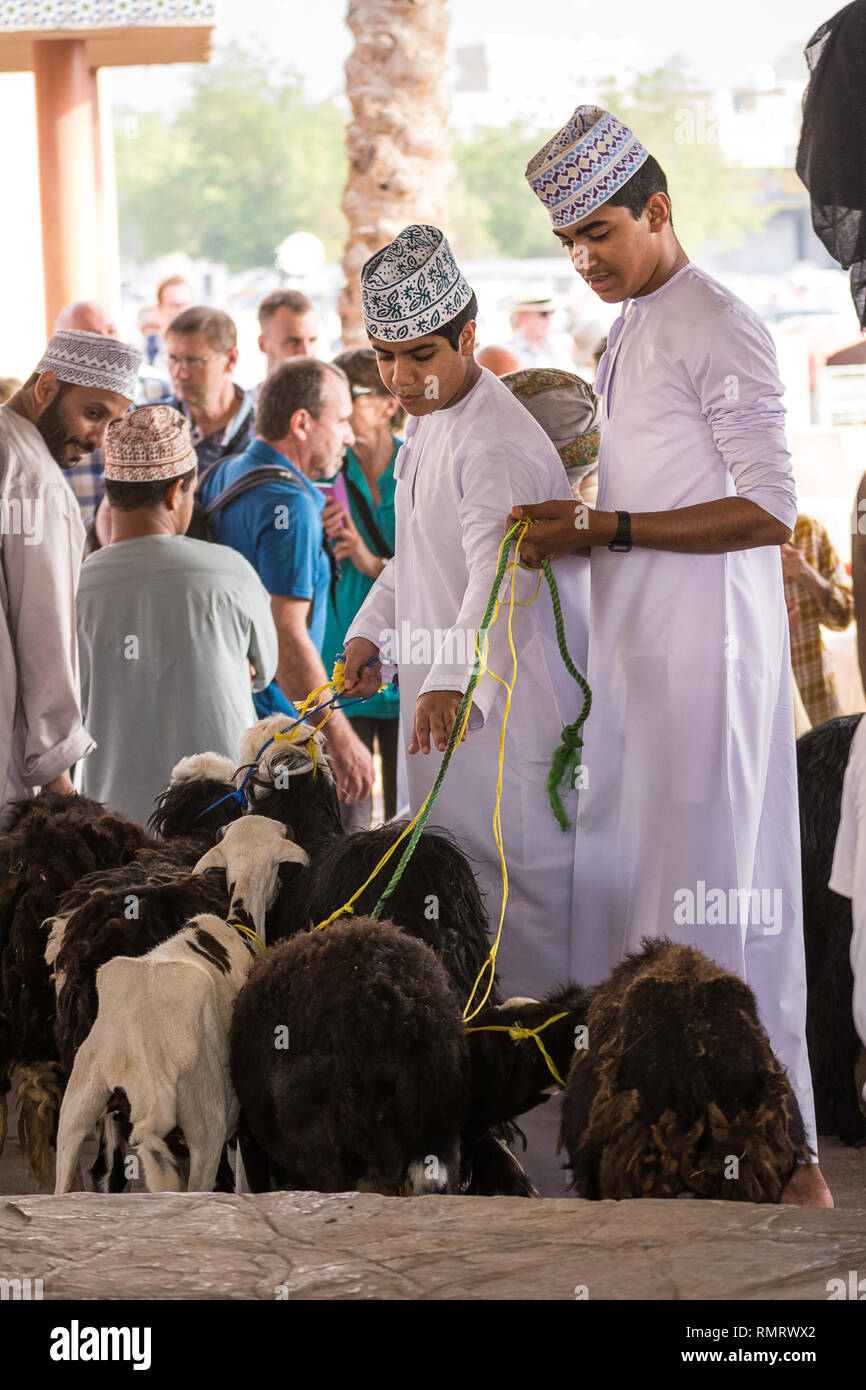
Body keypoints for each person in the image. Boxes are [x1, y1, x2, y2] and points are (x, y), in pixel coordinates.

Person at [516, 104, 828, 1205]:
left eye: (598, 232)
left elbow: (767, 509)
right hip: (640, 681)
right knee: (648, 922)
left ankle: (774, 1173)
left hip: (708, 684)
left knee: (713, 929)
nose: (582, 259)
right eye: (566, 243)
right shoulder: (632, 325)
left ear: (657, 209)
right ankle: (659, 1165)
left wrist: (604, 530)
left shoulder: (717, 321)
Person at [341, 225, 590, 1193]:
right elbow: (417, 562)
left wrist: (450, 674)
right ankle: (476, 1150)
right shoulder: (427, 423)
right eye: (387, 359)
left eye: (419, 356)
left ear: (467, 334)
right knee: (454, 922)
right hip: (443, 723)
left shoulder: (491, 438)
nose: (400, 379)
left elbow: (493, 570)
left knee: (512, 927)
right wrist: (369, 634)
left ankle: (555, 1171)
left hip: (500, 737)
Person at [76, 406, 278, 826]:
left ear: (110, 495)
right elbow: (263, 672)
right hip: (221, 820)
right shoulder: (231, 571)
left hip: (113, 827)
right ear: (175, 493)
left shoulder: (76, 587)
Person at [199, 358, 374, 807]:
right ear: (301, 422)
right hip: (281, 737)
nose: (349, 437)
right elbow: (285, 632)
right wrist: (338, 735)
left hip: (232, 716)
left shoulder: (226, 472)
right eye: (341, 422)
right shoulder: (290, 504)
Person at [0, 329, 140, 822]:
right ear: (46, 388)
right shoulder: (34, 480)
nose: (97, 439)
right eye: (93, 412)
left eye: (112, 422)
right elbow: (44, 628)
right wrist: (57, 768)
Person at [320, 348, 403, 830]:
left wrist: (373, 563)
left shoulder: (416, 464)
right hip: (344, 657)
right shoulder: (328, 468)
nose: (344, 407)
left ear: (389, 403)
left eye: (354, 394)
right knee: (346, 809)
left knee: (407, 813)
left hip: (403, 656)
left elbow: (438, 562)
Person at [159, 306, 256, 472]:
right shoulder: (151, 426)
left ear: (231, 359)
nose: (180, 373)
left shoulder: (264, 436)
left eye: (193, 361)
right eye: (173, 359)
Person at [54, 300, 122, 525]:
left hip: (141, 553)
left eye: (111, 330)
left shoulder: (158, 392)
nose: (109, 342)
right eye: (93, 335)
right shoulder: (47, 411)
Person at [783, 514, 853, 727]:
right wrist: (775, 633)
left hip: (818, 700)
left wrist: (807, 574)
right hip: (767, 702)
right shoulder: (735, 543)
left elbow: (845, 616)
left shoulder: (811, 531)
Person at [256, 289, 320, 388]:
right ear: (263, 344)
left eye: (312, 340)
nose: (306, 352)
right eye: (294, 342)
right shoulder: (247, 402)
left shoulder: (338, 400)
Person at [505, 292, 576, 370]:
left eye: (552, 312)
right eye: (543, 314)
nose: (549, 318)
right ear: (521, 316)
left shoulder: (559, 352)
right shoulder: (505, 353)